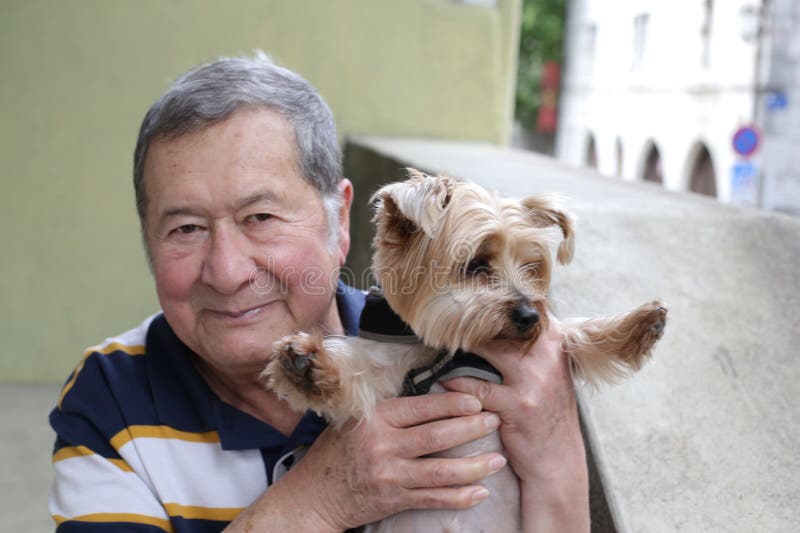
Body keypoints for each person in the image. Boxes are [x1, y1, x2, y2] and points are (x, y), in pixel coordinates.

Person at [49, 53, 589, 532]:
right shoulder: (111, 396)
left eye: (260, 217)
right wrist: (317, 502)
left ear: (340, 221)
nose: (227, 272)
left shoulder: (459, 349)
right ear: (147, 239)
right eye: (186, 228)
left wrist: (556, 459)